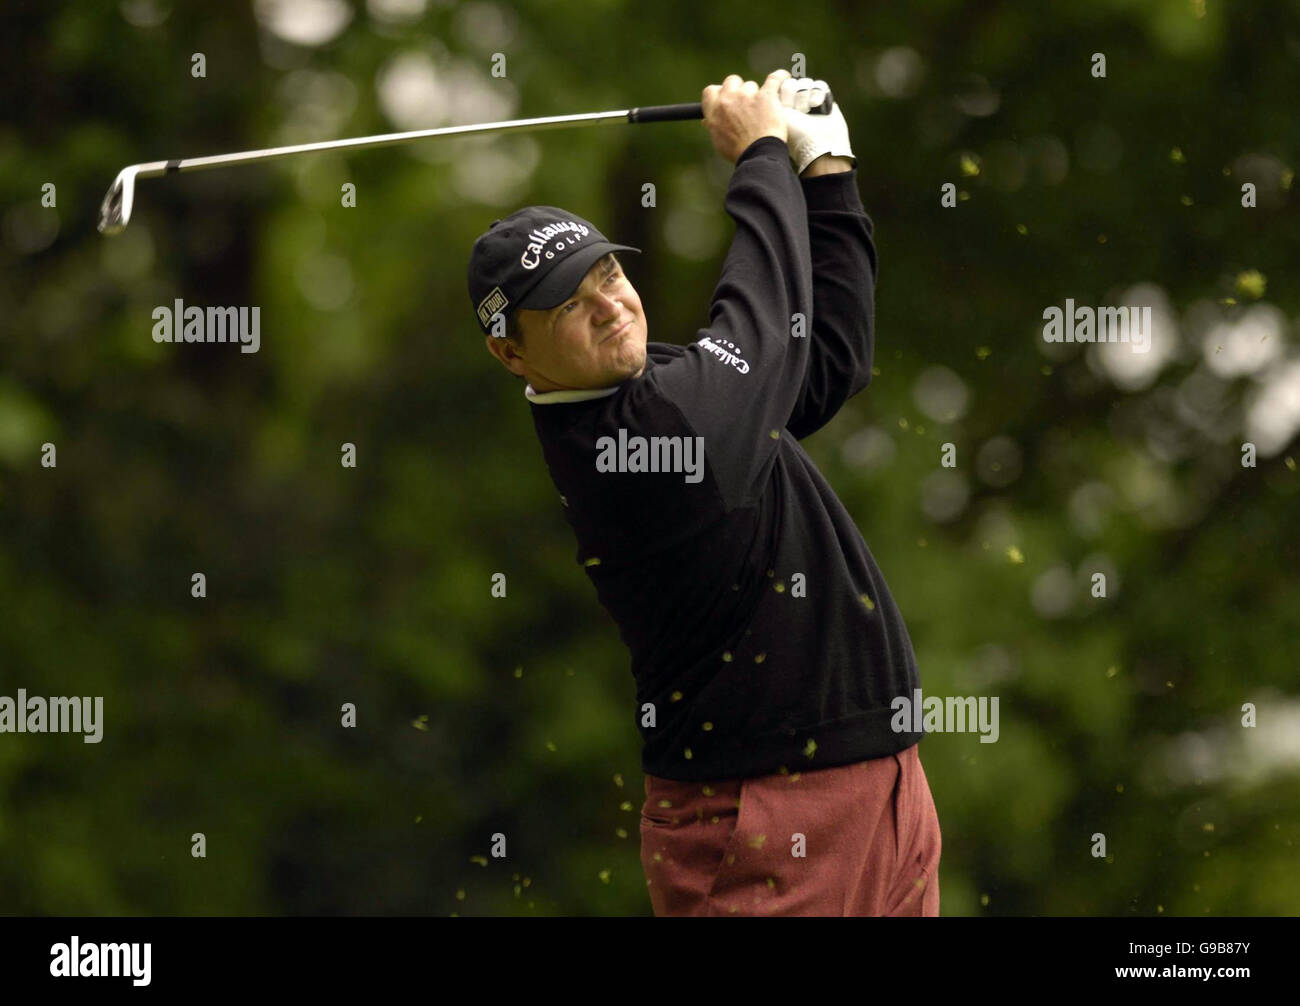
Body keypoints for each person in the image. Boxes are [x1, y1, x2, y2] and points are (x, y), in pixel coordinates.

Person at [466, 70, 941, 916]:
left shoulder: (676, 386)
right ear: (513, 355)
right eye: (570, 306)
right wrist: (760, 156)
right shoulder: (633, 445)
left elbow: (826, 358)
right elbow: (758, 328)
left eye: (608, 274)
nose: (611, 305)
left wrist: (827, 170)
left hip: (884, 783)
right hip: (758, 818)